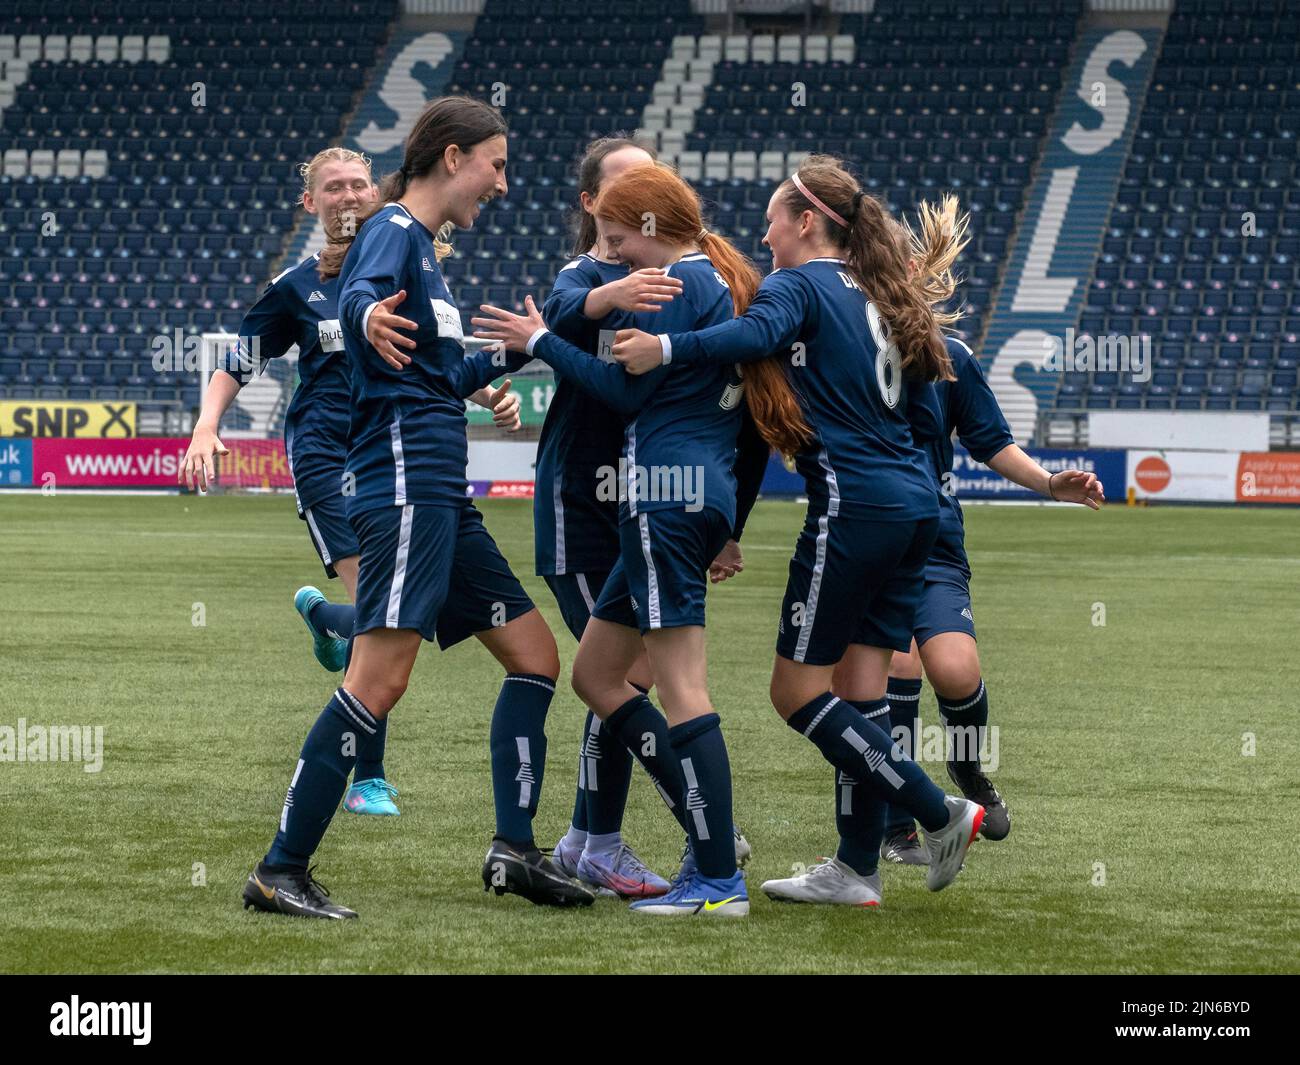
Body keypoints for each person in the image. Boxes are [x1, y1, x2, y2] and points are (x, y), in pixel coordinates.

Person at [241, 96, 593, 919]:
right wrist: (362, 313)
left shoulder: (427, 253)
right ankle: (279, 868)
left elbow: (434, 375)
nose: (502, 184)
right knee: (380, 676)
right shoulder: (393, 232)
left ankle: (512, 850)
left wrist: (515, 352)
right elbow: (361, 295)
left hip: (442, 490)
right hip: (403, 483)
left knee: (536, 655)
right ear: (450, 156)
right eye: (495, 164)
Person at [610, 157, 986, 908]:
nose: (765, 233)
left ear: (807, 221)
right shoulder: (879, 292)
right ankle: (857, 867)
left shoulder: (800, 282)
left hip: (854, 506)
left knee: (796, 693)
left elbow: (752, 335)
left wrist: (666, 348)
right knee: (862, 691)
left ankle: (940, 810)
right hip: (916, 506)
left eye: (776, 218)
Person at [472, 162, 799, 916]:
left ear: (652, 226)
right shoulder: (716, 279)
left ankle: (717, 875)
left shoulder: (672, 284)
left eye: (619, 239)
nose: (614, 254)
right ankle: (667, 840)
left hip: (661, 495)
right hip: (691, 495)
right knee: (598, 675)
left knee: (681, 685)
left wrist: (541, 341)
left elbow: (623, 390)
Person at [180, 147, 520, 818]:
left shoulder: (408, 262)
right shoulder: (297, 286)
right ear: (311, 204)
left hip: (388, 454)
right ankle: (370, 776)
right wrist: (205, 425)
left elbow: (427, 363)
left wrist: (485, 396)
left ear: (377, 192)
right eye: (331, 188)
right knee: (384, 613)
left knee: (388, 618)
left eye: (357, 184)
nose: (346, 196)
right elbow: (240, 360)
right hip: (327, 458)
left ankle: (322, 617)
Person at [864, 336, 1104, 863]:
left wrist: (1047, 484)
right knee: (896, 668)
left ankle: (967, 769)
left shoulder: (949, 356)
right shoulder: (841, 337)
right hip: (868, 538)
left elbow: (990, 438)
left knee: (956, 671)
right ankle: (897, 822)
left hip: (934, 543)